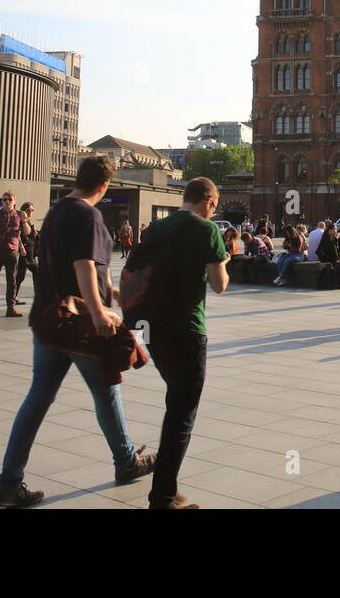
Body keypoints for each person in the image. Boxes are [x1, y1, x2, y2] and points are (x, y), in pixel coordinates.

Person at [0, 156, 155, 508]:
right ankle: (126, 462)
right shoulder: (88, 214)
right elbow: (82, 265)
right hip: (77, 321)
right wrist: (98, 310)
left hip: (49, 319)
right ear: (104, 185)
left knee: (37, 399)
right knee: (107, 391)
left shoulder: (56, 211)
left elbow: (74, 265)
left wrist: (107, 292)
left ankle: (8, 482)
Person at [136, 176, 229, 510]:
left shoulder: (156, 228)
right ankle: (162, 498)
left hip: (151, 328)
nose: (213, 212)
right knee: (182, 413)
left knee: (175, 400)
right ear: (208, 200)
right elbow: (219, 285)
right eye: (214, 207)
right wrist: (224, 264)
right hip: (187, 328)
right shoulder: (207, 230)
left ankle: (166, 487)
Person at [13, 201, 39, 307]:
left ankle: (13, 297)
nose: (30, 212)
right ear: (23, 210)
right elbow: (17, 235)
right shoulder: (20, 220)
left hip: (30, 253)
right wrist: (22, 248)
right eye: (28, 210)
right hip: (25, 253)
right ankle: (39, 296)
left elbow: (29, 234)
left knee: (20, 276)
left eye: (32, 210)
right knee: (37, 272)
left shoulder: (27, 220)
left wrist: (35, 232)